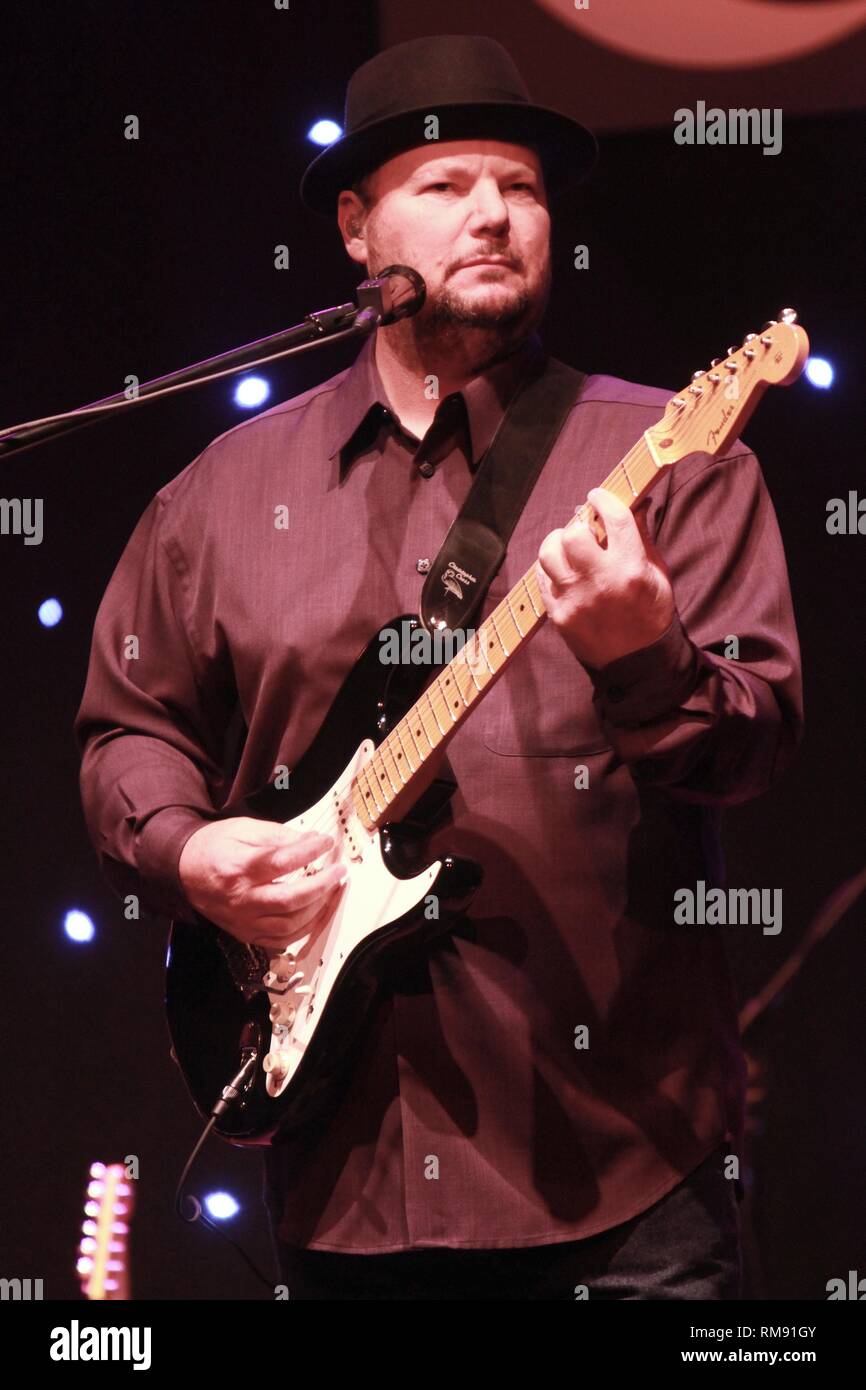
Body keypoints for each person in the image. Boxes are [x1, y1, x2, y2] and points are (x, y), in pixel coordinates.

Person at [74, 35, 803, 1300]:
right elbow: (127, 730)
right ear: (356, 229)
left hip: (626, 1174)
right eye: (446, 184)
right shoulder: (220, 495)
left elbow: (752, 744)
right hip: (345, 1179)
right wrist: (190, 852)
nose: (494, 215)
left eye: (519, 189)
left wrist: (643, 657)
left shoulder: (673, 458)